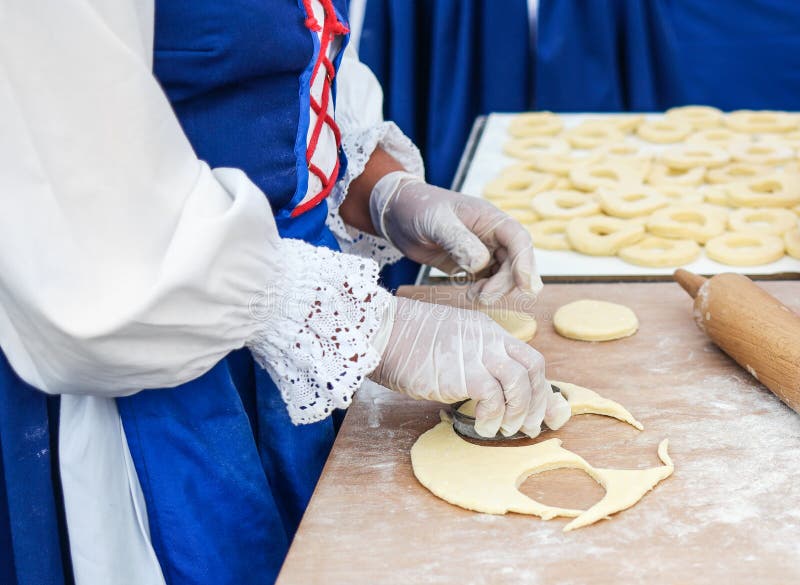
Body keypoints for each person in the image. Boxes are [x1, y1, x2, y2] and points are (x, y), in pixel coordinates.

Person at [0, 2, 570, 584]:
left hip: (293, 367)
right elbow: (78, 212)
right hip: (152, 366)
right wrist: (364, 325)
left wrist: (379, 191)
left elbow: (292, 75)